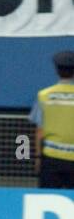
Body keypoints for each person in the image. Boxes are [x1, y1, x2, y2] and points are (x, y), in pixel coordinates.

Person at [30, 49, 74, 188]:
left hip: (51, 159)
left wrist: (37, 158)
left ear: (56, 70)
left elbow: (39, 130)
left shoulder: (44, 95)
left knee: (48, 196)